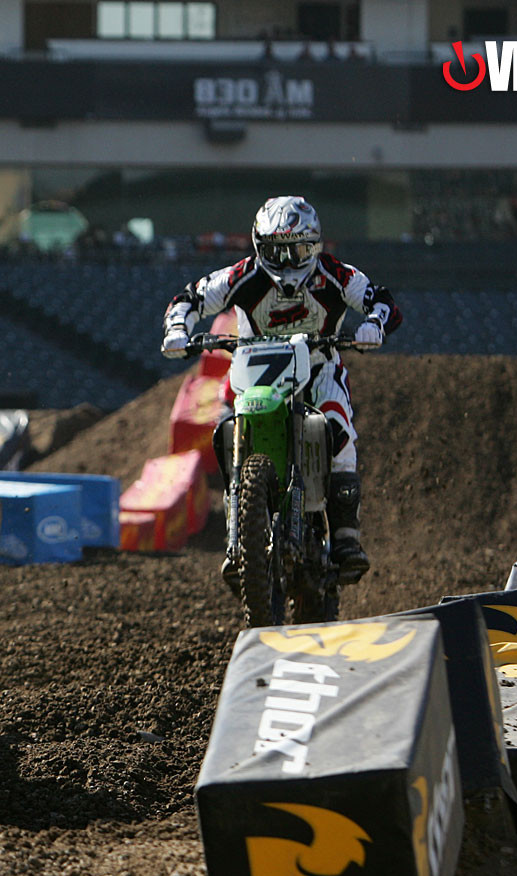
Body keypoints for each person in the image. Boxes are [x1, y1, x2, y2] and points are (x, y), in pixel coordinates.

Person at [160, 195, 402, 584]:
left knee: (340, 433)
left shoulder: (335, 274)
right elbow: (189, 297)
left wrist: (374, 323)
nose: (289, 263)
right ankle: (237, 539)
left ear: (316, 246)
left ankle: (345, 539)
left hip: (321, 367)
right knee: (227, 429)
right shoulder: (242, 275)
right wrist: (176, 329)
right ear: (260, 248)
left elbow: (382, 299)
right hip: (256, 372)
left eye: (299, 251)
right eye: (278, 252)